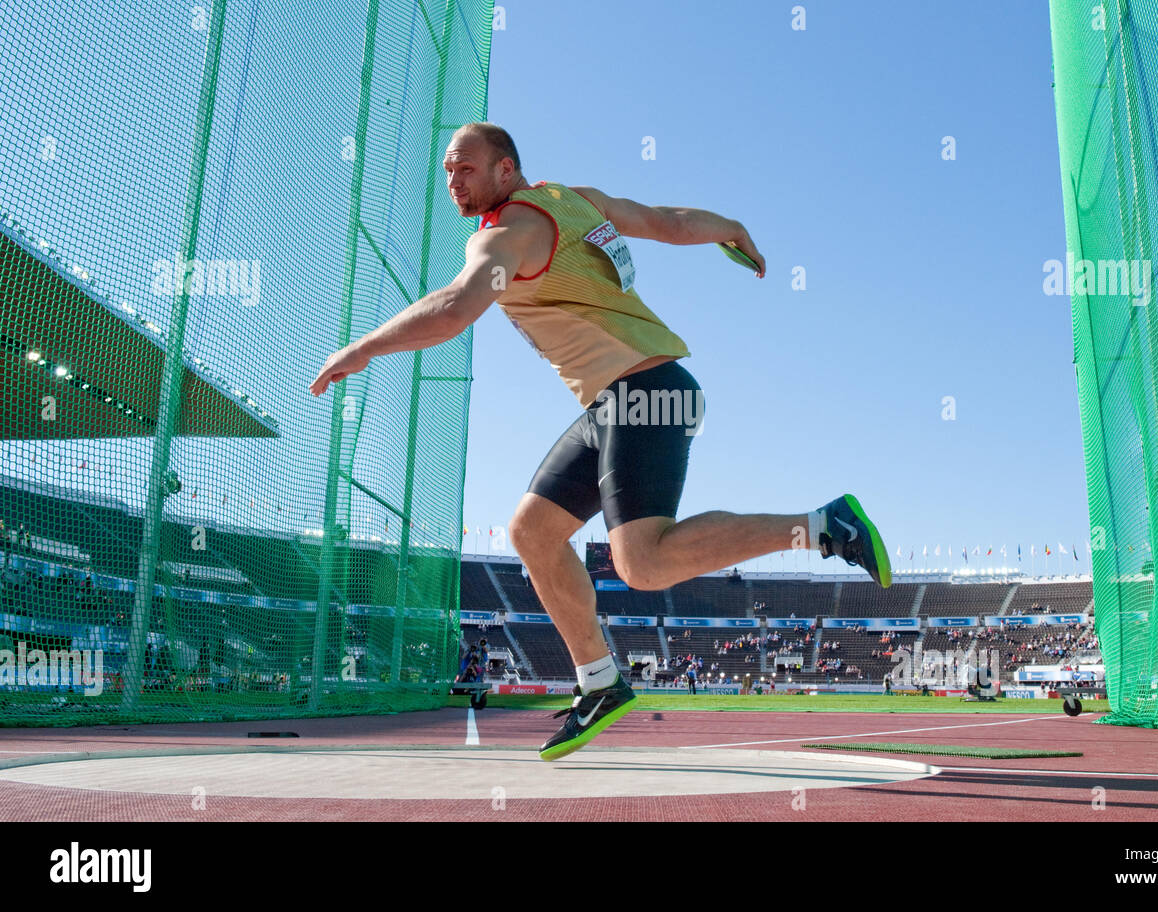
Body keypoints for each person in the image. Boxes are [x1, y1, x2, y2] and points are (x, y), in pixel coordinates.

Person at [310, 122, 892, 761]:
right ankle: (600, 682)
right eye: (448, 169)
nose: (453, 180)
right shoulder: (574, 200)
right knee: (531, 532)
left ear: (506, 170)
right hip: (615, 400)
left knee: (642, 563)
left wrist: (362, 347)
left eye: (466, 168)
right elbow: (664, 219)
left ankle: (825, 525)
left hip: (643, 391)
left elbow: (455, 307)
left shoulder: (510, 233)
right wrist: (729, 226)